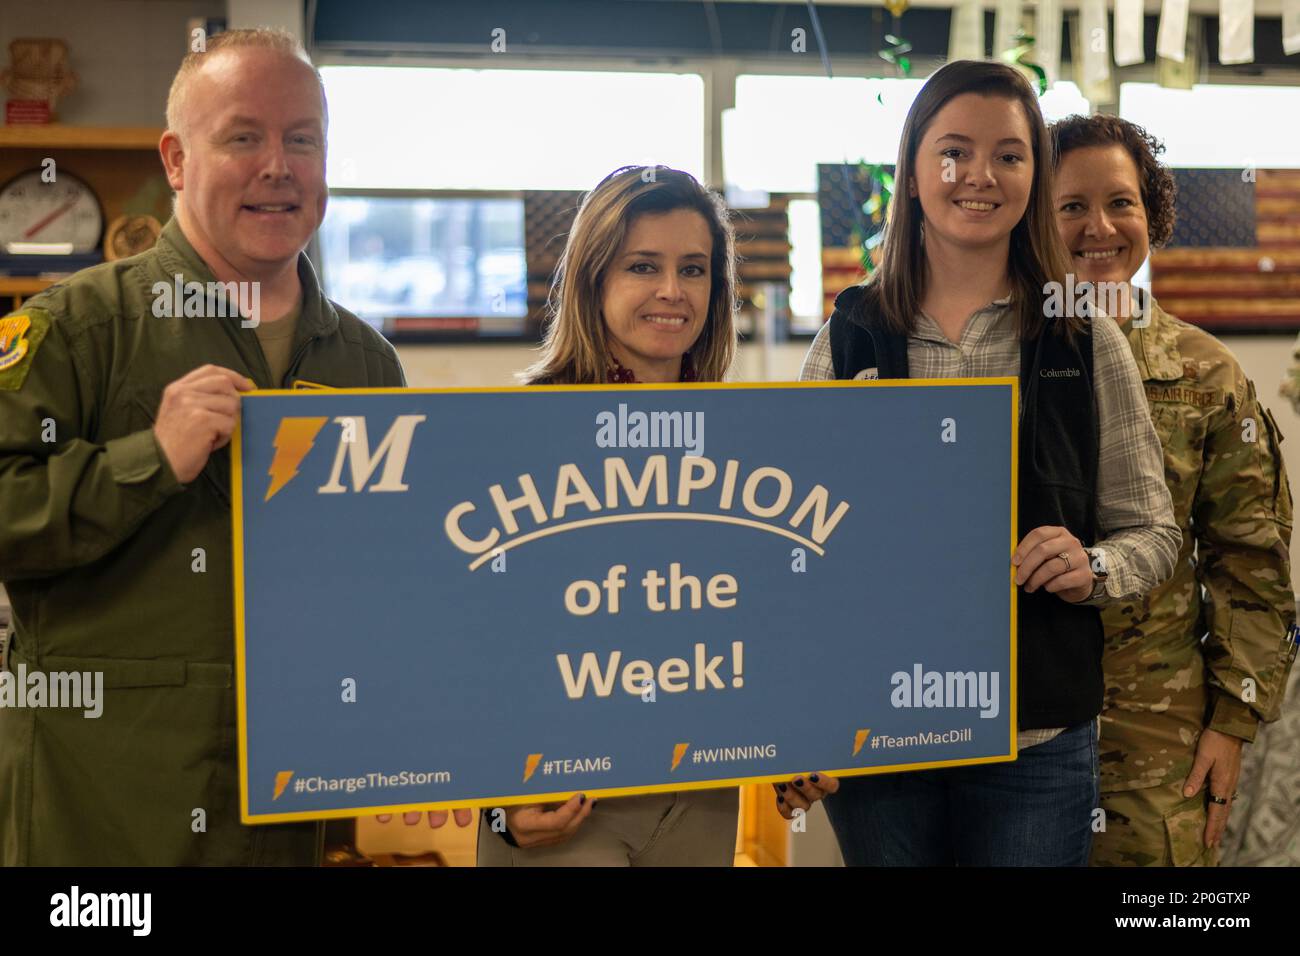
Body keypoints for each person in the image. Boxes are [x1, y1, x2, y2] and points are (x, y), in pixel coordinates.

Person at [0, 28, 467, 865]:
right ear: (177, 161)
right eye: (243, 137)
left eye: (302, 140)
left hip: (288, 805)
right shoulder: (77, 328)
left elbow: (389, 585)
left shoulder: (365, 362)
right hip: (100, 810)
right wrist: (147, 461)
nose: (278, 167)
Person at [788, 60, 1180, 866]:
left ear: (1034, 177)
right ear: (912, 174)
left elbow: (1153, 532)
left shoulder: (1086, 338)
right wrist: (802, 714)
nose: (980, 175)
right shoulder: (850, 336)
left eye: (1008, 154)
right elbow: (795, 549)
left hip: (1036, 738)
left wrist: (1092, 565)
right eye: (953, 152)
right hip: (879, 729)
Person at [475, 165, 740, 865]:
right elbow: (467, 637)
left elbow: (767, 617)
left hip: (705, 795)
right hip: (562, 800)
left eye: (694, 269)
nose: (672, 291)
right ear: (593, 279)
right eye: (642, 266)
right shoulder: (514, 432)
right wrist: (497, 807)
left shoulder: (742, 434)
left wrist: (804, 745)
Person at [1049, 114, 1296, 867]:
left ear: (1151, 214)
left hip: (1157, 745)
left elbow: (1250, 563)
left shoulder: (1206, 375)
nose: (1099, 227)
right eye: (1071, 206)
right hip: (1014, 737)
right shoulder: (996, 360)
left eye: (1120, 202)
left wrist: (1233, 722)